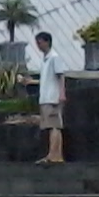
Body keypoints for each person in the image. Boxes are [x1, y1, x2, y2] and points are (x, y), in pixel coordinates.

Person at [31, 31, 67, 164]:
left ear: (47, 42)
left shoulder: (54, 57)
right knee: (51, 126)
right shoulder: (46, 60)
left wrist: (62, 94)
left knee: (54, 126)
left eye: (40, 42)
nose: (38, 45)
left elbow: (60, 76)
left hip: (53, 98)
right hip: (46, 98)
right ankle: (55, 154)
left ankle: (54, 155)